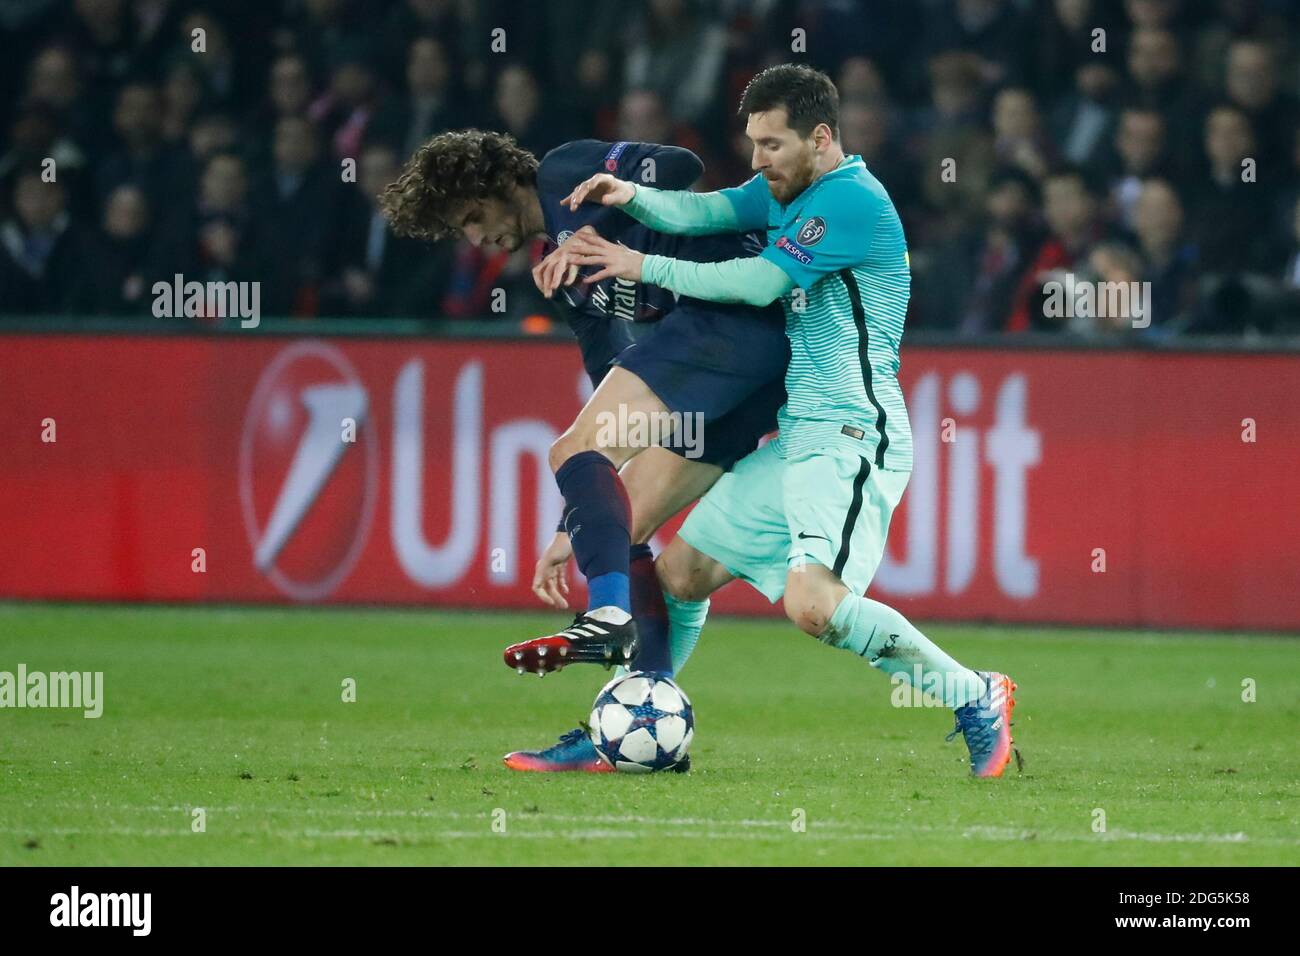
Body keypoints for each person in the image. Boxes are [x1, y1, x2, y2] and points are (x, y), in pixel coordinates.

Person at [556, 64, 1020, 777]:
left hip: (853, 433)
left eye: (771, 144)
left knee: (814, 606)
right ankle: (625, 721)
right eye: (753, 142)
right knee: (680, 575)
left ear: (821, 138)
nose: (757, 159)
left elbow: (760, 281)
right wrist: (633, 196)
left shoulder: (852, 200)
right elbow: (707, 211)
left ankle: (973, 695)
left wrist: (639, 264)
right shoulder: (787, 190)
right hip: (801, 433)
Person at [381, 129, 789, 771]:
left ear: (496, 184)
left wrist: (599, 220)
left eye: (472, 217)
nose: (476, 238)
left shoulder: (564, 170)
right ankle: (631, 728)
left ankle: (606, 616)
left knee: (568, 450)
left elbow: (681, 163)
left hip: (730, 319)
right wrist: (573, 521)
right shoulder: (565, 275)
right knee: (625, 523)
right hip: (747, 370)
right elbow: (610, 388)